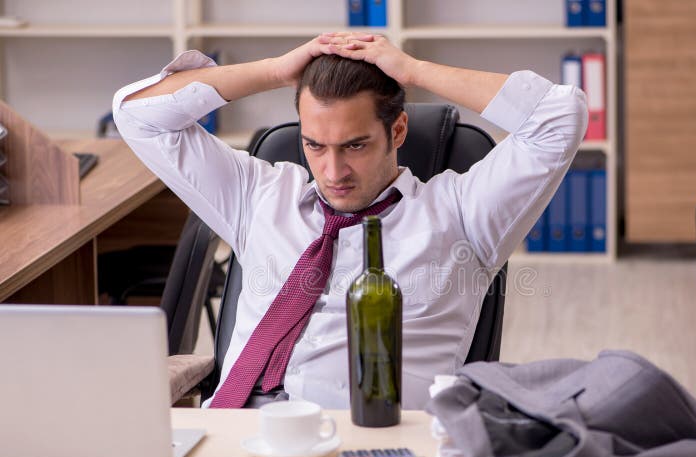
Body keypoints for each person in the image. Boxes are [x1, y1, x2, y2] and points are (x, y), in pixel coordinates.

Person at [112, 32, 587, 409]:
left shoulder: (461, 215)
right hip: (240, 445)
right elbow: (136, 115)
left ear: (397, 130)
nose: (333, 172)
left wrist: (414, 70)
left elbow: (559, 115)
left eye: (355, 146)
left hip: (369, 447)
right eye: (315, 145)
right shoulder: (259, 195)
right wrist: (276, 71)